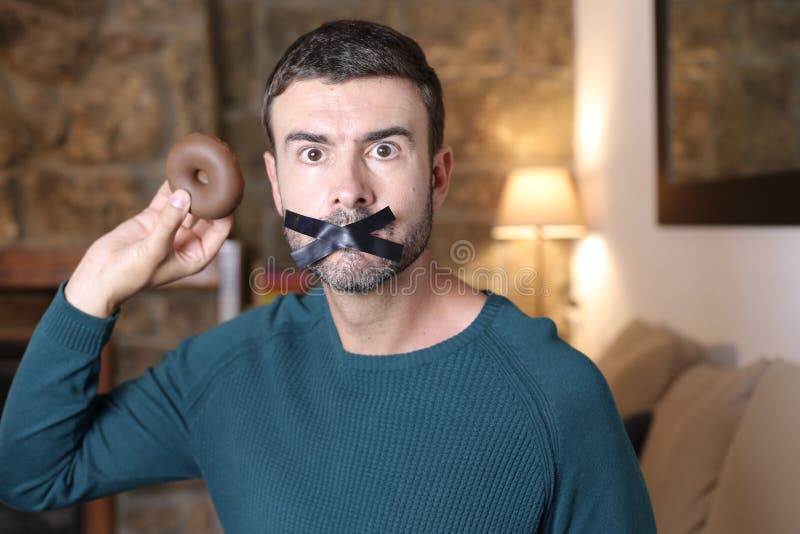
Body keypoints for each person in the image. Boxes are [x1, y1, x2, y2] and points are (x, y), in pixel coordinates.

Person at [0, 20, 656, 533]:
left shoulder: (557, 398)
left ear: (437, 176)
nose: (348, 193)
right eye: (314, 153)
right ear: (279, 181)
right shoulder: (225, 372)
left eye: (383, 148)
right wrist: (93, 285)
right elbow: (31, 477)